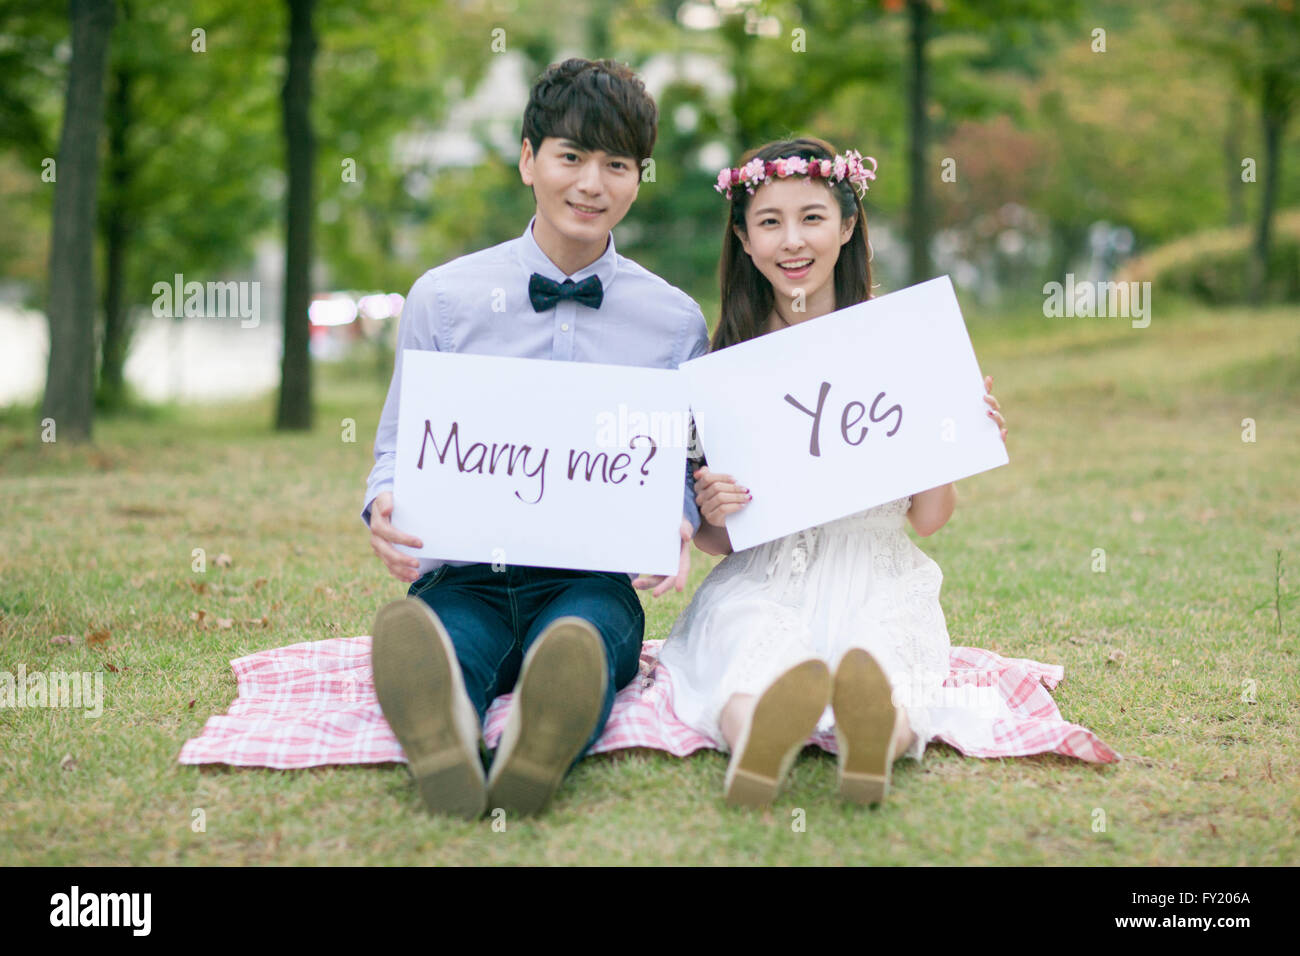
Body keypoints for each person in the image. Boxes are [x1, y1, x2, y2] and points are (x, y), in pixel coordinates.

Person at [362, 58, 709, 819]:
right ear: (529, 159)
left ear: (638, 178)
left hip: (589, 575)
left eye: (617, 165)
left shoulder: (676, 322)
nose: (592, 184)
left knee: (582, 641)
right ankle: (445, 734)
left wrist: (679, 518)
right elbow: (397, 441)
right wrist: (384, 501)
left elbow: (682, 465)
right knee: (445, 646)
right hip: (466, 573)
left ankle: (538, 746)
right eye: (571, 157)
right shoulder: (444, 299)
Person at [656, 136, 1010, 807]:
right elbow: (716, 542)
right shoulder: (730, 360)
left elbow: (929, 520)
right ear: (744, 236)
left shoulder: (898, 343)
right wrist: (714, 508)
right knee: (745, 647)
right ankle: (757, 740)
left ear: (847, 227)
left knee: (884, 661)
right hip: (765, 570)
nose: (793, 240)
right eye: (770, 222)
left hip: (876, 566)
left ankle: (875, 741)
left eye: (812, 217)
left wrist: (949, 438)